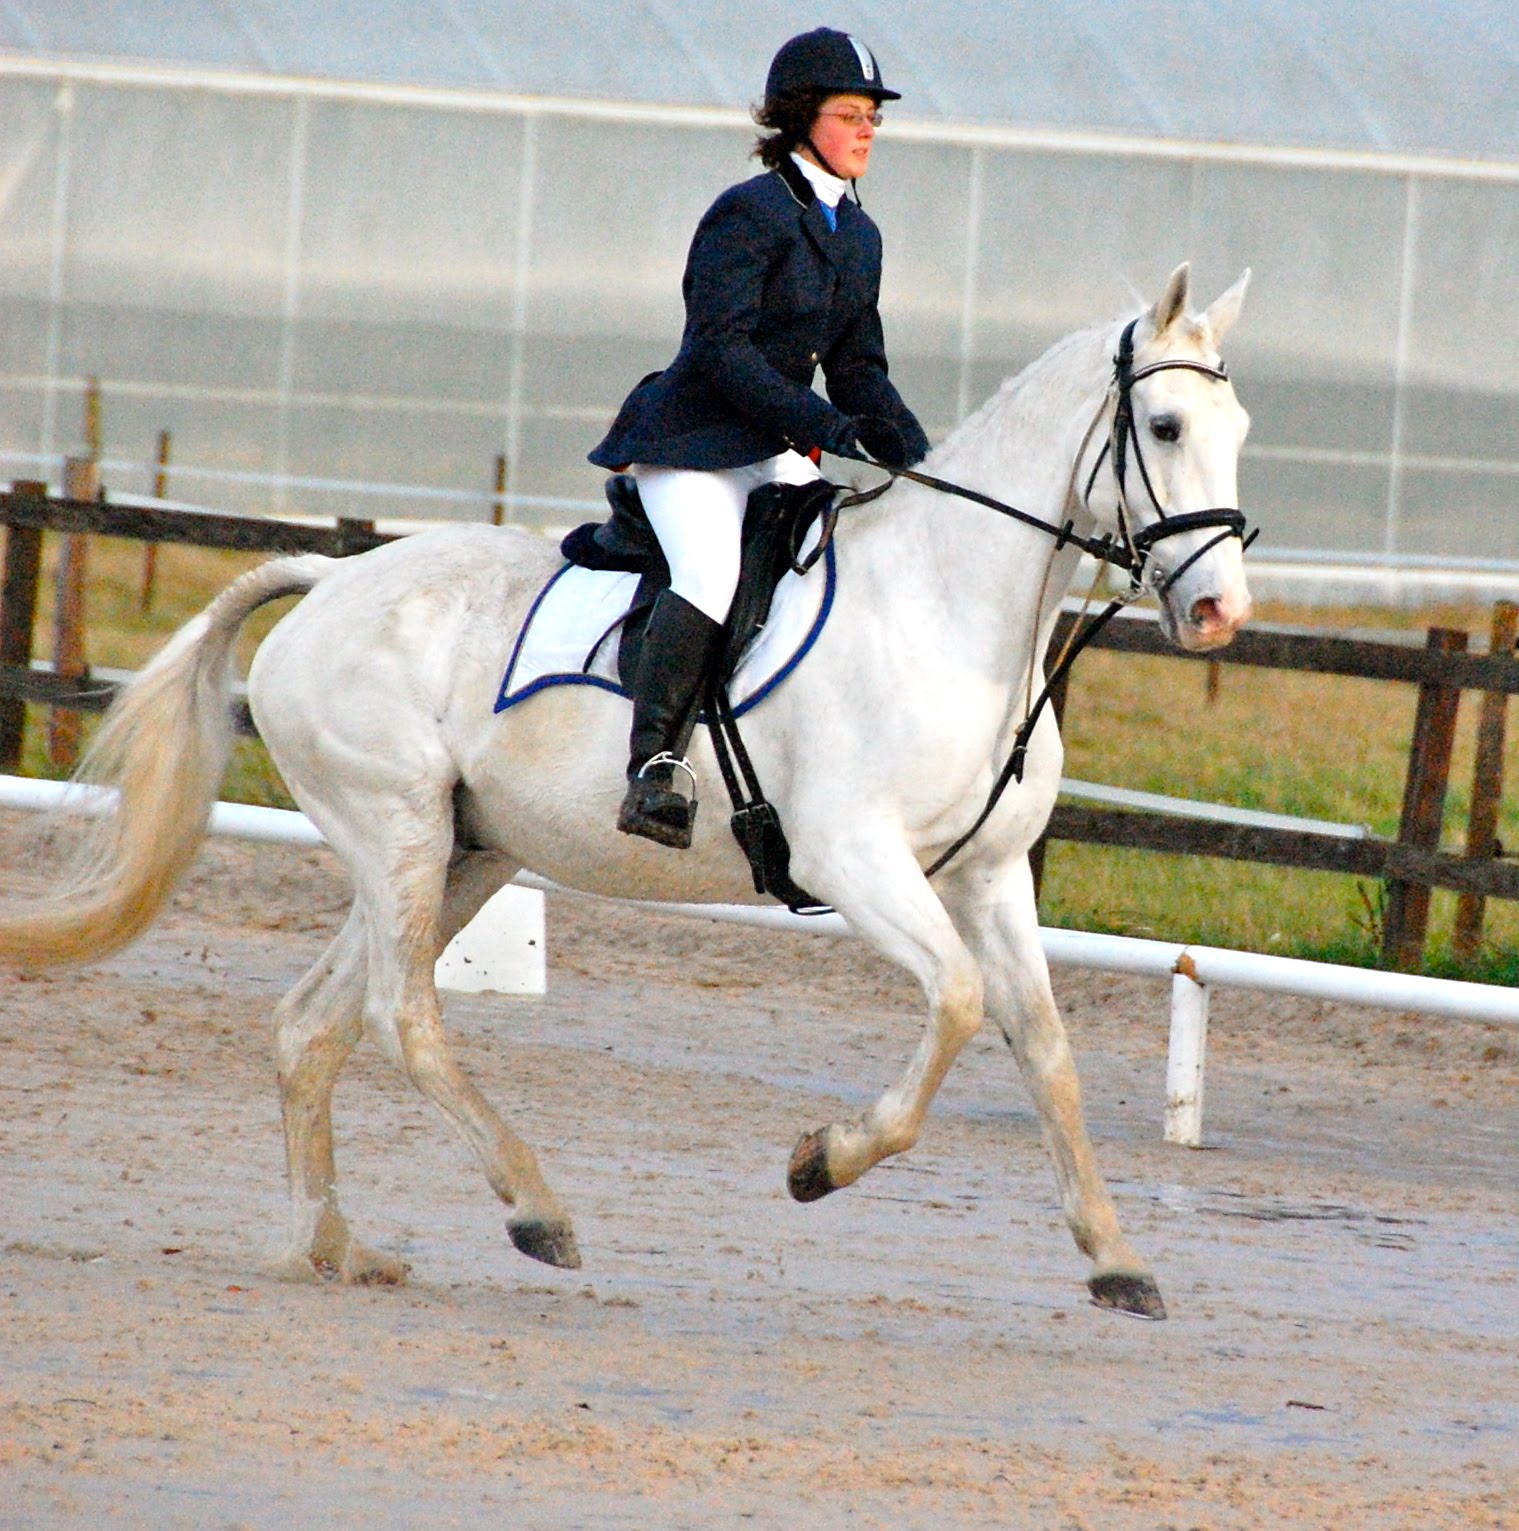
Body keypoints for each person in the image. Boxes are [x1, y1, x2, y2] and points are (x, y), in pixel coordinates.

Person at [589, 26, 931, 849]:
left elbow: (857, 367)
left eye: (872, 120)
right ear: (800, 118)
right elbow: (720, 349)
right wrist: (821, 426)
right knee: (710, 572)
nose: (864, 132)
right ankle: (652, 768)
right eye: (849, 115)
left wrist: (924, 460)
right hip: (695, 442)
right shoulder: (748, 213)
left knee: (830, 576)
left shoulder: (859, 234)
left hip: (775, 449)